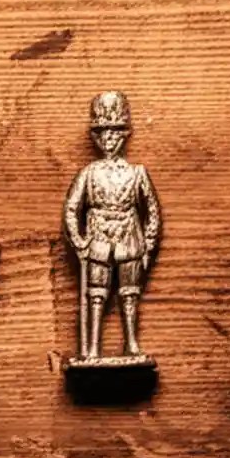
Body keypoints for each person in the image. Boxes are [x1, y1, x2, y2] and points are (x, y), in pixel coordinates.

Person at [63, 91, 162, 361]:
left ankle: (131, 344)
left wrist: (148, 247)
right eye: (103, 134)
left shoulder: (137, 173)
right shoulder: (88, 173)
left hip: (130, 240)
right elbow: (72, 208)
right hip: (97, 242)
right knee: (96, 296)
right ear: (96, 137)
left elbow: (152, 210)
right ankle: (93, 349)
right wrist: (79, 242)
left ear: (124, 135)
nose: (109, 139)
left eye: (115, 133)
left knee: (130, 294)